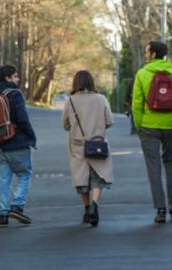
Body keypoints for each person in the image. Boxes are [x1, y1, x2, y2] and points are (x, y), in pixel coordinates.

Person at [132, 40, 172, 223]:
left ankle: (161, 209)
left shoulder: (142, 74)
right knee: (170, 162)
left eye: (147, 52)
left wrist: (140, 125)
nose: (146, 54)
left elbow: (137, 103)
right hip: (169, 126)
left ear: (154, 54)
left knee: (153, 167)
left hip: (148, 126)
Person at [61, 70, 113, 227]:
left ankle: (86, 210)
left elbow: (65, 124)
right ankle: (95, 205)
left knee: (82, 179)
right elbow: (109, 121)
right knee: (98, 176)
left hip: (78, 144)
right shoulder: (101, 99)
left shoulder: (70, 101)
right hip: (98, 143)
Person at [0, 64, 37, 228]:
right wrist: (31, 136)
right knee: (25, 175)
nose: (18, 79)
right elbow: (22, 118)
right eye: (16, 76)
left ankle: (3, 214)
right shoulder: (15, 94)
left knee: (3, 180)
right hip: (17, 142)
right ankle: (17, 206)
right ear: (8, 78)